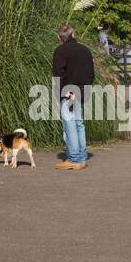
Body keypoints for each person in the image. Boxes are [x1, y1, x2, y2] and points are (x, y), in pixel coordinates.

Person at [52, 24, 94, 170]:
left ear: (59, 38)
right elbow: (91, 74)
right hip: (82, 92)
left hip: (68, 92)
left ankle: (74, 159)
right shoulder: (85, 50)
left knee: (70, 125)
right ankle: (81, 157)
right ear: (73, 34)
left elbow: (58, 74)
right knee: (79, 124)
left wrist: (64, 92)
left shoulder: (60, 51)